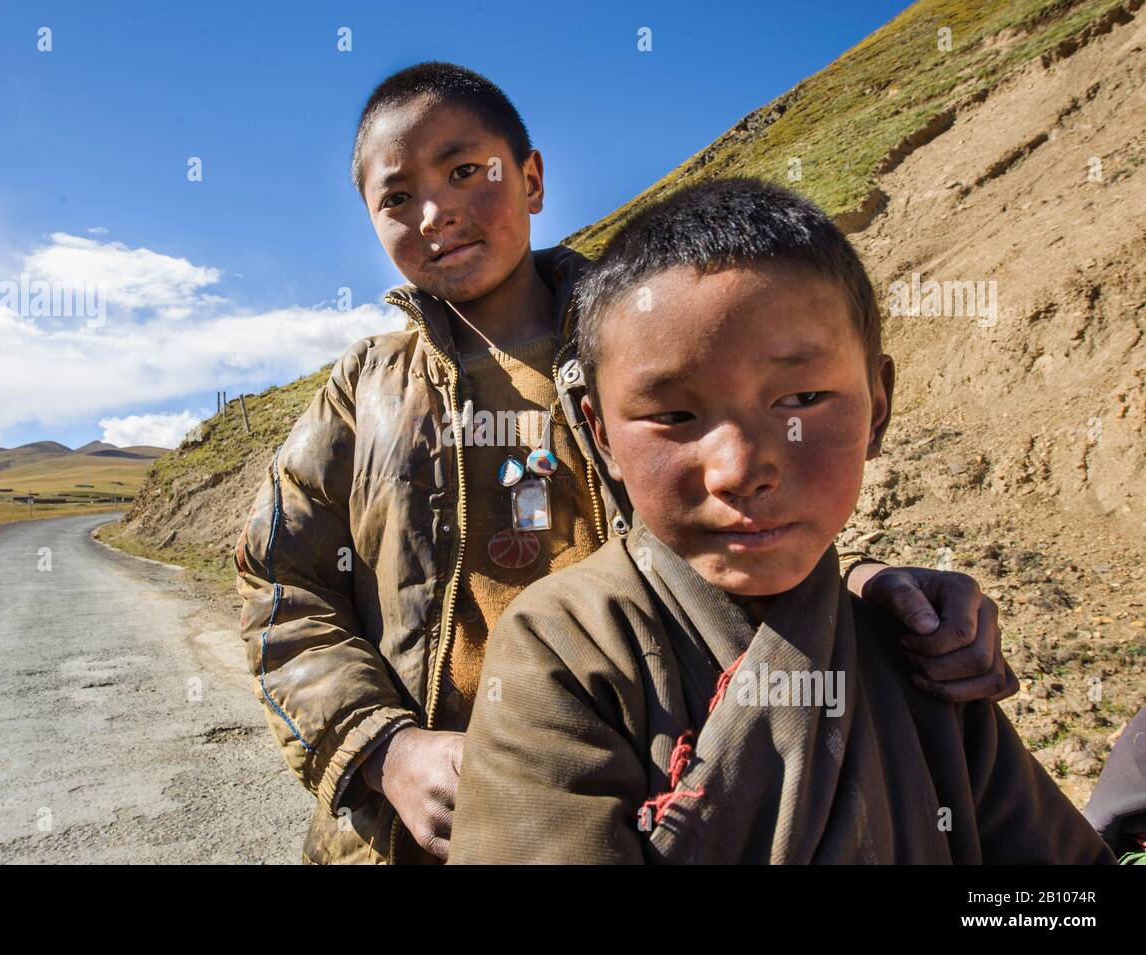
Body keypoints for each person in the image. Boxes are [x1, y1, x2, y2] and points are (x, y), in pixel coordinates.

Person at [235, 63, 1017, 865]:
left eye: (467, 171)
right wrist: (383, 749)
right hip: (419, 821)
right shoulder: (362, 392)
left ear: (532, 177)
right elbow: (279, 583)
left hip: (651, 787)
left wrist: (867, 593)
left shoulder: (650, 343)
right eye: (397, 197)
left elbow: (745, 510)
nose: (436, 212)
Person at [448, 177, 1114, 864]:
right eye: (675, 415)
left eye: (800, 398)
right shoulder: (566, 646)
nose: (738, 467)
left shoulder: (913, 651)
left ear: (878, 405)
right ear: (602, 434)